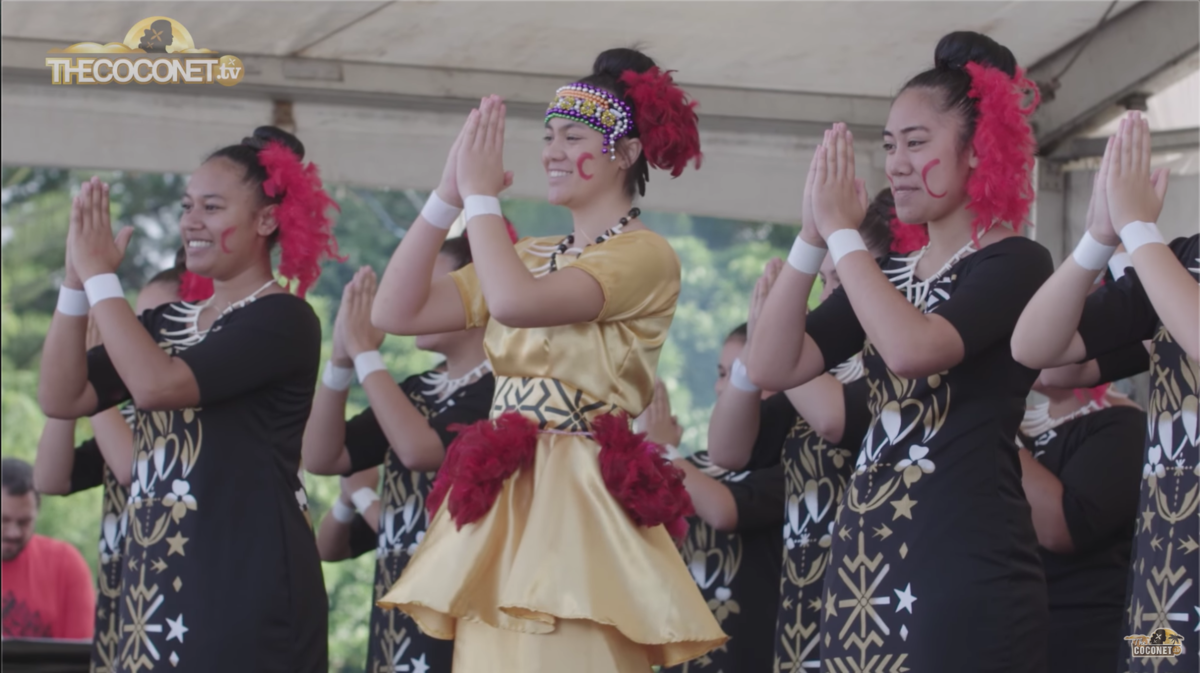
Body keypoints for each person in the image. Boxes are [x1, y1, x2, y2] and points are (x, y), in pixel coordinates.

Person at [371, 48, 725, 670]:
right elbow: (393, 313)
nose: (553, 150)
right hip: (505, 494)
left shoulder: (645, 255)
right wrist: (447, 197)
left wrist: (482, 200)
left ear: (626, 152)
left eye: (574, 135)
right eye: (549, 136)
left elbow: (516, 302)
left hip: (582, 499)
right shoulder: (530, 251)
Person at [747, 32, 1052, 671]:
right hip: (866, 562)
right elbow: (774, 366)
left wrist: (843, 237)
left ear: (978, 151)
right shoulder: (887, 272)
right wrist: (810, 239)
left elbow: (916, 348)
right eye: (889, 146)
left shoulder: (1015, 260)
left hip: (963, 561)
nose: (896, 164)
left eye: (917, 143)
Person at [37, 125, 339, 672]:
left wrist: (106, 278)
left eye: (213, 207)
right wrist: (76, 283)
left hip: (243, 584)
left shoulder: (283, 319)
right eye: (187, 206)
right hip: (154, 586)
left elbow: (159, 388)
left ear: (266, 220)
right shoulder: (163, 322)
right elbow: (62, 394)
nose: (191, 222)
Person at [1011, 111, 1198, 671]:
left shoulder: (1169, 267)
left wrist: (1139, 230)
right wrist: (1099, 238)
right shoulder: (1183, 263)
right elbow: (1038, 349)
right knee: (1153, 659)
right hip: (1164, 588)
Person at [709, 190, 897, 671]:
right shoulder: (813, 380)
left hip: (881, 600)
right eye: (828, 280)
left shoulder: (901, 367)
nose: (834, 295)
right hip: (803, 608)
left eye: (850, 277)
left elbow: (835, 419)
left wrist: (779, 346)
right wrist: (754, 363)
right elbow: (728, 451)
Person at [305, 241, 496, 673]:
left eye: (426, 289)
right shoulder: (415, 390)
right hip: (394, 620)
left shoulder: (502, 391)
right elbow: (321, 457)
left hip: (457, 620)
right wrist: (340, 359)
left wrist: (367, 354)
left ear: (481, 293)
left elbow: (418, 450)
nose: (408, 303)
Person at [32, 267, 181, 671]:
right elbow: (49, 478)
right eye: (138, 322)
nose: (139, 336)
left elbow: (133, 469)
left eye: (157, 322)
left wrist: (96, 398)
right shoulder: (124, 415)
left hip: (172, 613)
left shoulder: (188, 412)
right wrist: (77, 379)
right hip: (121, 606)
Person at [641, 375, 783, 673]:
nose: (725, 386)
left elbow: (723, 510)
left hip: (753, 654)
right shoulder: (690, 466)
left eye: (742, 374)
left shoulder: (789, 466)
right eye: (722, 373)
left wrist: (663, 450)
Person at [1017, 381, 1144, 673]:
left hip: (1086, 637)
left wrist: (996, 435)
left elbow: (1062, 527)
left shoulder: (1124, 424)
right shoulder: (1017, 426)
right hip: (1015, 628)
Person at [1, 457, 95, 640]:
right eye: (3, 520)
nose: (13, 532)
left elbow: (77, 657)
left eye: (24, 522)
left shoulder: (66, 564)